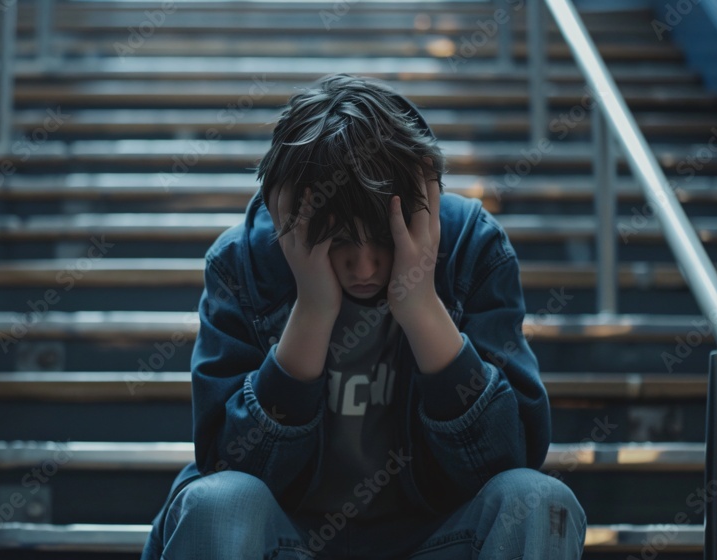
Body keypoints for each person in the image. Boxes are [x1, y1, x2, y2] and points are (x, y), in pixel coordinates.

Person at [140, 74, 586, 559]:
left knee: (542, 501)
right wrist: (312, 310)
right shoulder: (243, 262)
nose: (365, 267)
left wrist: (421, 307)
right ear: (285, 209)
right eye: (339, 241)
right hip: (288, 540)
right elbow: (226, 466)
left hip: (435, 539)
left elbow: (510, 459)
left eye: (384, 239)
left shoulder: (470, 247)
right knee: (218, 503)